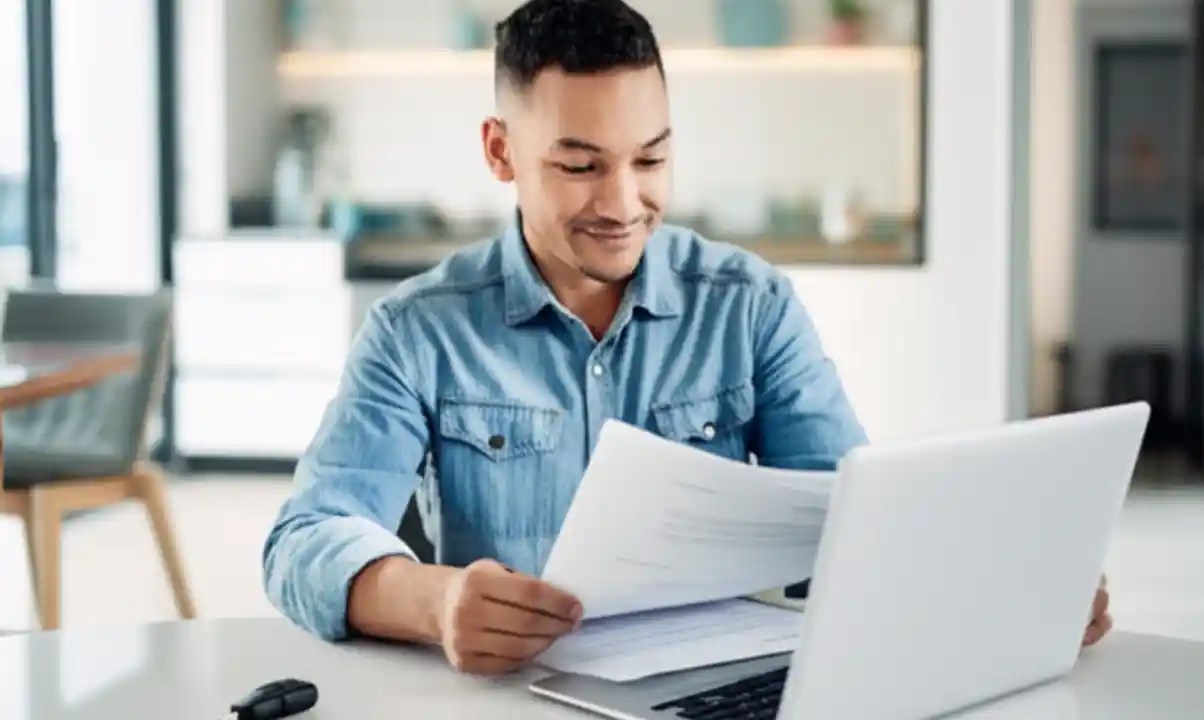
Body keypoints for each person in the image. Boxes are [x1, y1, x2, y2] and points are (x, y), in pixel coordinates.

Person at [263, 0, 1112, 676]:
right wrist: (436, 601)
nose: (624, 203)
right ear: (500, 151)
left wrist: (1005, 596)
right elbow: (305, 540)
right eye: (580, 165)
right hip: (512, 698)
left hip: (718, 693)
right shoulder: (418, 329)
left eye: (652, 158)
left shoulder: (749, 306)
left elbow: (853, 524)